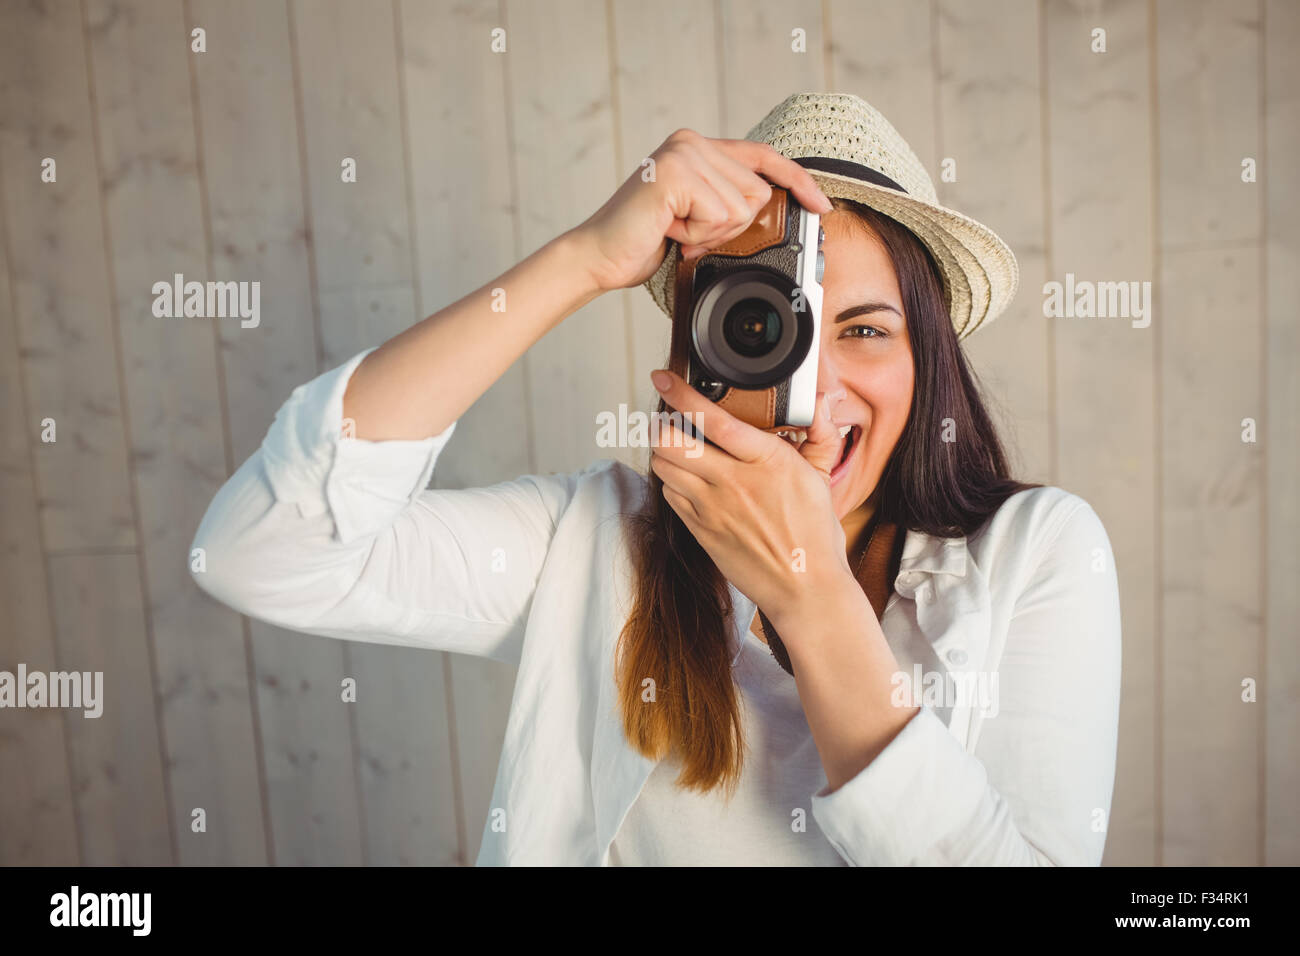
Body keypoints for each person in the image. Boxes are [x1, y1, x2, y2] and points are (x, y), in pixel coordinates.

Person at [189, 92, 1122, 866]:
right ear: (700, 343)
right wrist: (580, 259)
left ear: (931, 363)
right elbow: (261, 554)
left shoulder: (1038, 552)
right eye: (770, 330)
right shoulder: (596, 543)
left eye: (866, 331)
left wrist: (810, 597)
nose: (813, 393)